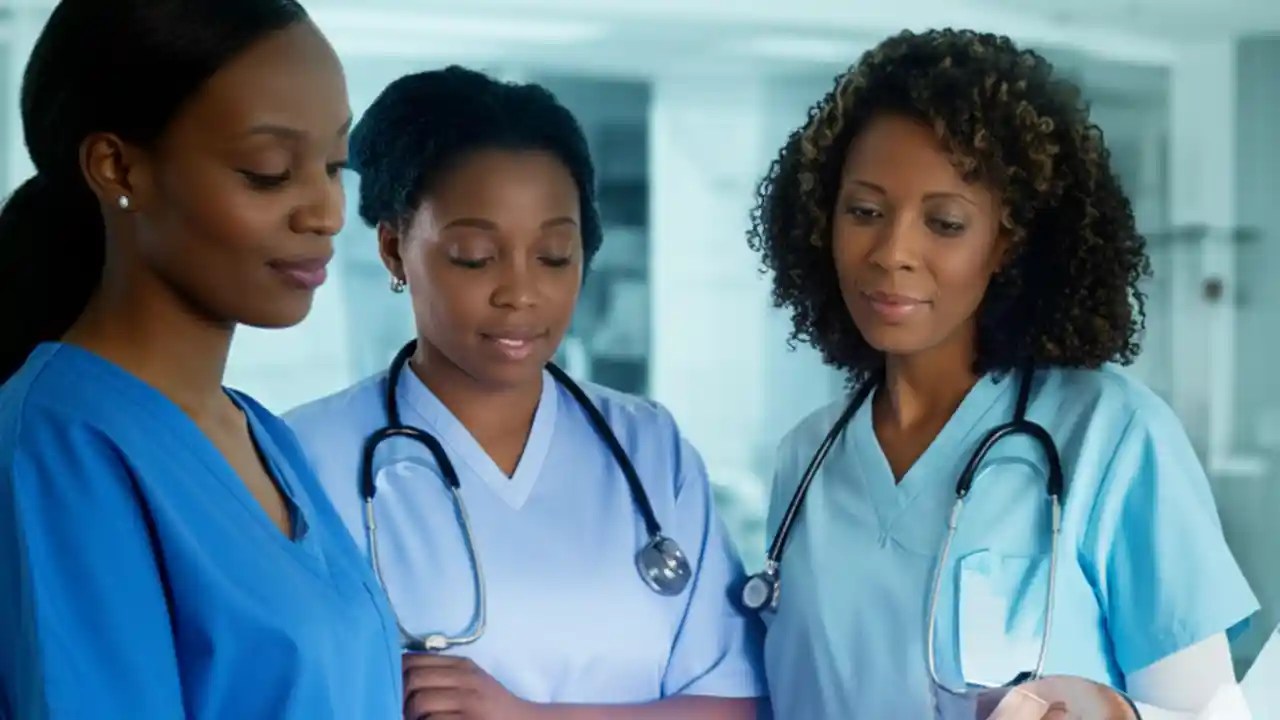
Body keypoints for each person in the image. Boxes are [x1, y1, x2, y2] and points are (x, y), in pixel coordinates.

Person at [744, 28, 1258, 720]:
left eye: (946, 223)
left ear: (1008, 243)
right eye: (864, 212)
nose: (893, 252)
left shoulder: (1111, 436)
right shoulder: (807, 460)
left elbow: (1215, 713)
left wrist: (1117, 714)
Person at [284, 66, 766, 720]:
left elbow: (734, 707)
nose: (520, 292)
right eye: (475, 257)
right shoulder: (303, 459)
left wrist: (525, 716)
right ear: (395, 251)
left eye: (555, 256)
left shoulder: (650, 447)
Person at [0, 2, 401, 718]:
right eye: (269, 172)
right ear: (118, 166)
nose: (328, 212)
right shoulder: (60, 448)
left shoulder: (262, 435)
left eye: (335, 165)